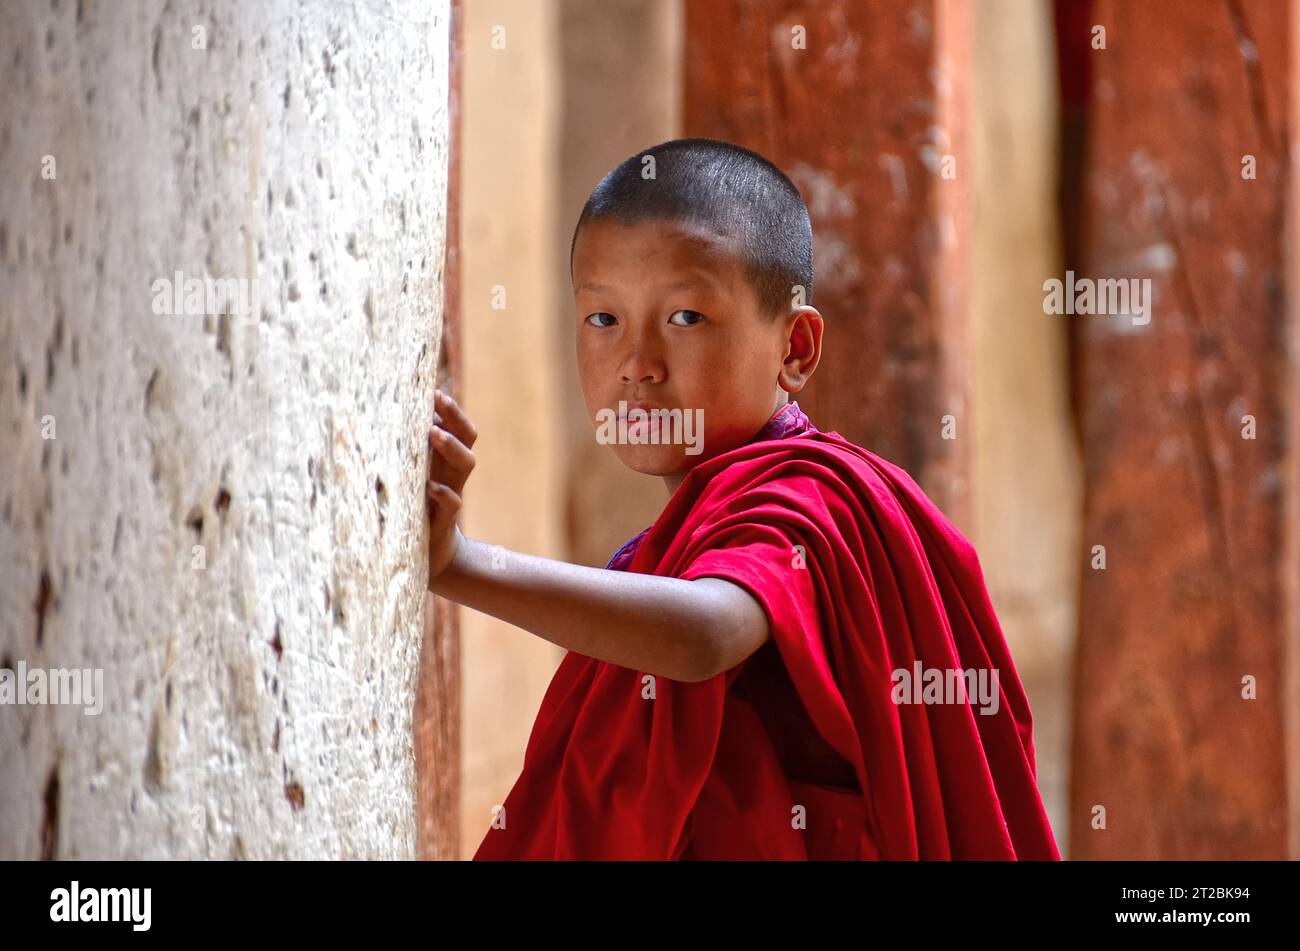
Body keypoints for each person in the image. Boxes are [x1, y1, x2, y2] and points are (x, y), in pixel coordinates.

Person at [427, 137, 1060, 860]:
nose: (637, 365)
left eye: (686, 318)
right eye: (603, 319)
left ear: (795, 349)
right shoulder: (679, 539)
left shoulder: (809, 503)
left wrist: (463, 565)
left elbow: (705, 635)